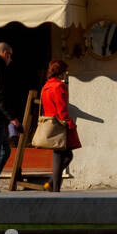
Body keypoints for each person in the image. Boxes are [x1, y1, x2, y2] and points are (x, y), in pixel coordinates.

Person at [41, 59, 80, 192]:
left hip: (50, 123)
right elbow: (62, 109)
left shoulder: (46, 86)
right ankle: (55, 190)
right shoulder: (59, 86)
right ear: (61, 72)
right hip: (59, 125)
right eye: (65, 71)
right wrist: (69, 123)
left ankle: (52, 184)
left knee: (64, 156)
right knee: (60, 158)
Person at [0, 42, 19, 186]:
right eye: (10, 56)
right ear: (5, 54)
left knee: (4, 151)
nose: (11, 60)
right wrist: (11, 118)